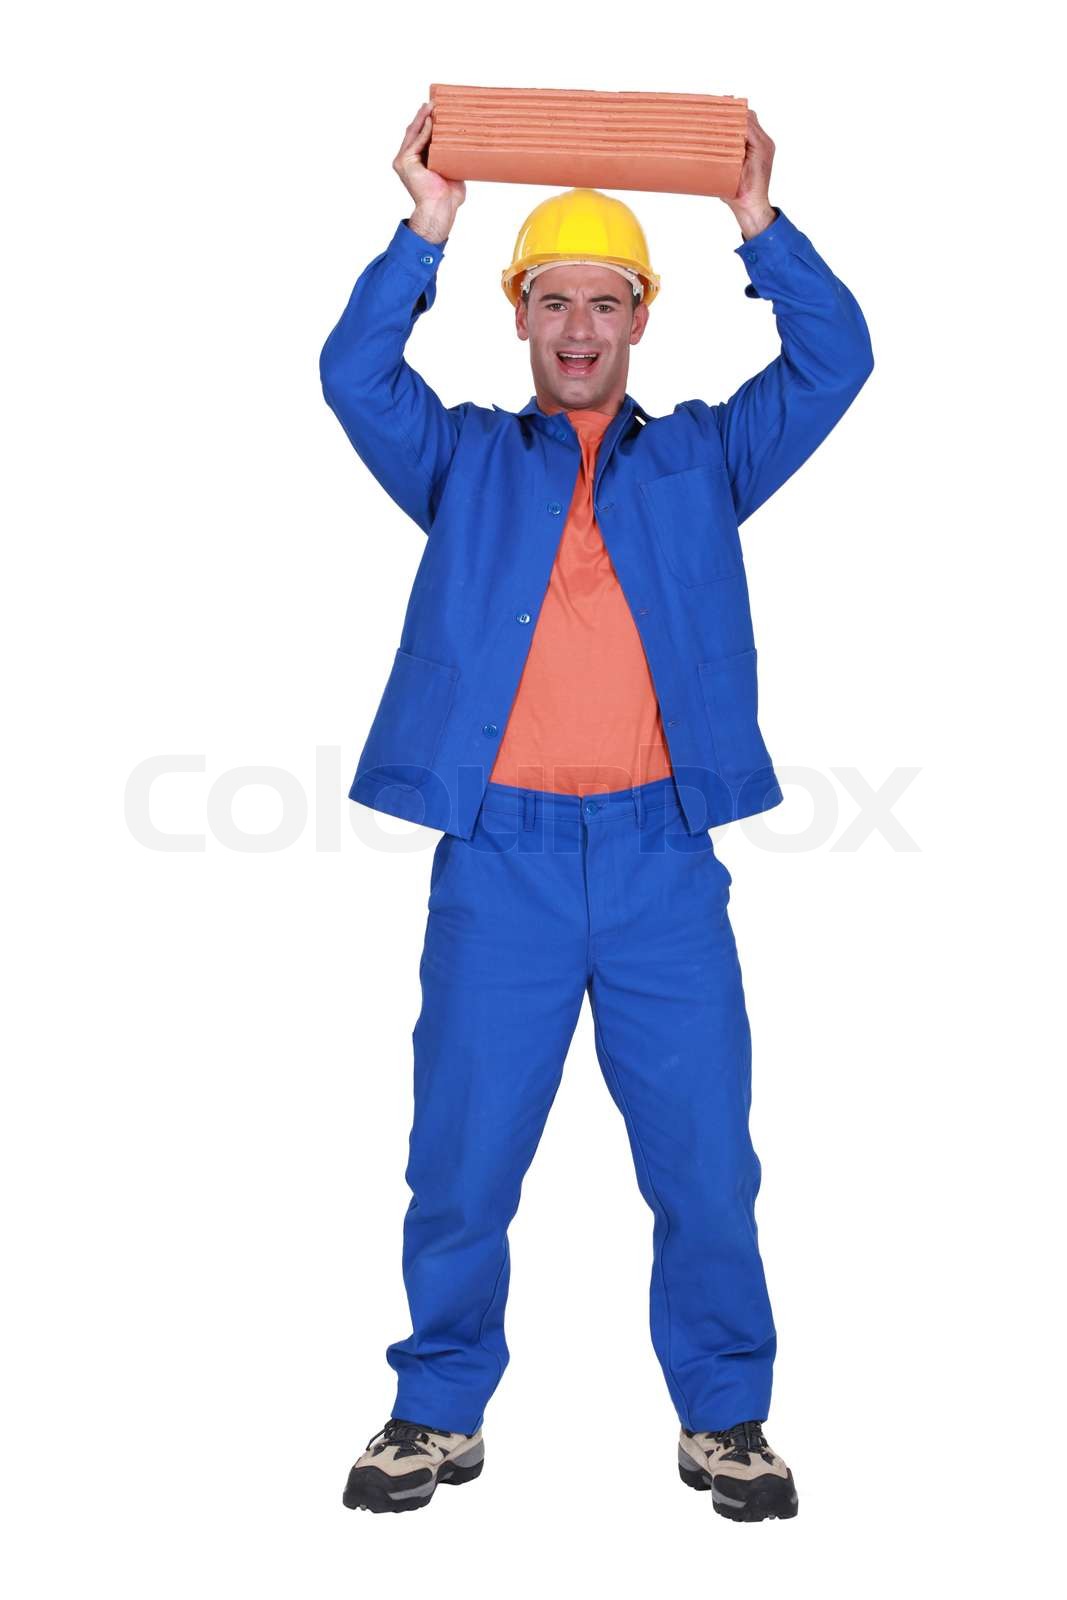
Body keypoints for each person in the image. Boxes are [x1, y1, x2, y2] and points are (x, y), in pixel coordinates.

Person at [319, 99, 873, 1520]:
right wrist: (425, 227)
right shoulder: (462, 463)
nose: (579, 325)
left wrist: (758, 219)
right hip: (495, 859)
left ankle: (727, 1420)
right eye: (553, 299)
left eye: (605, 301)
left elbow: (839, 358)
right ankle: (437, 1408)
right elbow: (351, 374)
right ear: (517, 319)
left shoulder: (704, 460)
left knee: (701, 1156)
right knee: (461, 1153)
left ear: (642, 319)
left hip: (658, 866)